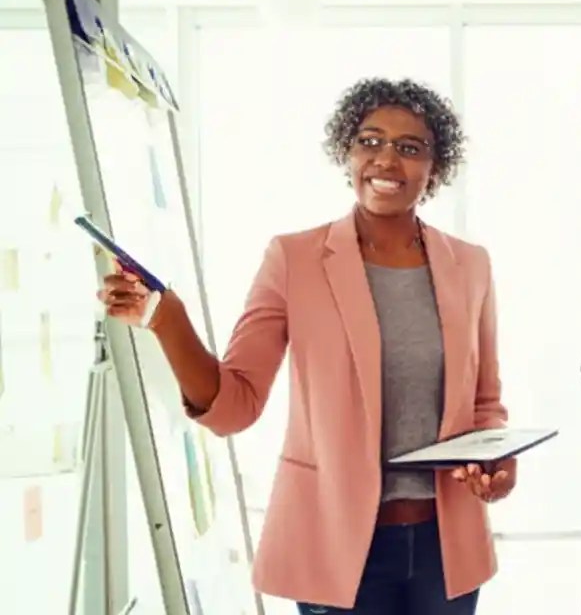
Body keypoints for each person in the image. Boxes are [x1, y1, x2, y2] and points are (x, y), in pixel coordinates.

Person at [98, 78, 510, 614]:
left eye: (410, 148)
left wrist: (499, 460)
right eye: (370, 141)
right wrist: (166, 319)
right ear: (347, 152)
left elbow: (485, 403)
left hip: (446, 549)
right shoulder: (294, 259)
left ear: (435, 168)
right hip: (335, 547)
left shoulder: (470, 264)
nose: (387, 159)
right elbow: (234, 406)